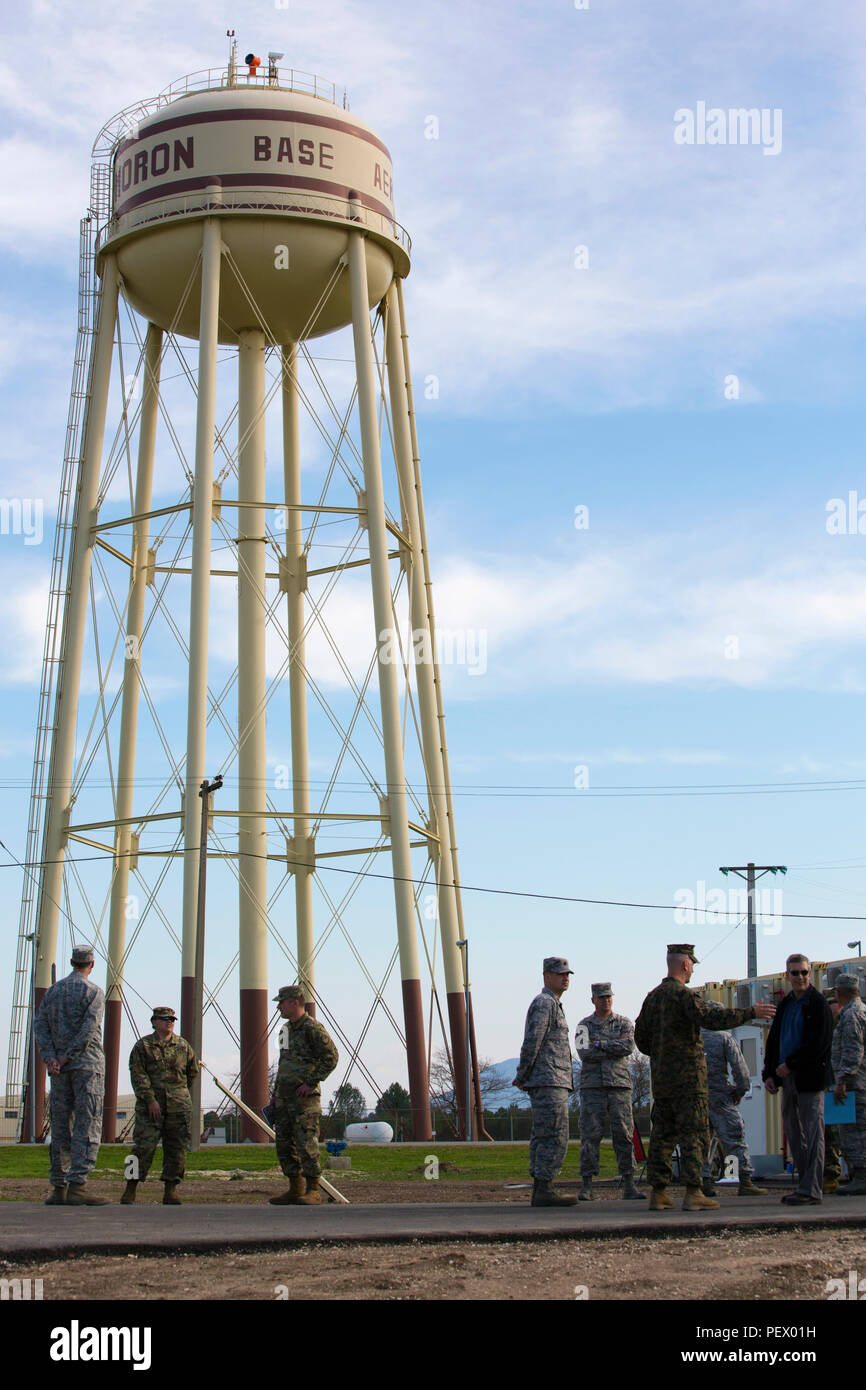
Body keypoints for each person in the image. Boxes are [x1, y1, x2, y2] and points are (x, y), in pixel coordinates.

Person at [635, 944, 775, 1212]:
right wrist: (750, 1013)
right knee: (695, 1135)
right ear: (686, 965)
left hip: (662, 1083)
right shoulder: (684, 996)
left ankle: (659, 1193)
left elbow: (640, 1037)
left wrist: (663, 1054)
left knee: (663, 1136)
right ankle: (693, 1192)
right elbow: (712, 1017)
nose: (691, 971)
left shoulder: (652, 998)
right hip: (690, 1083)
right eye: (692, 966)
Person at [34, 944, 107, 1206]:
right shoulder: (94, 992)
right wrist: (68, 1056)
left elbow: (40, 1026)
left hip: (59, 1070)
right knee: (87, 1124)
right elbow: (89, 1029)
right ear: (92, 964)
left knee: (60, 1126)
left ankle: (58, 1186)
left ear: (72, 962)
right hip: (86, 1066)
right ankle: (78, 1185)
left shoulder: (53, 992)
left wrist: (51, 1058)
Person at [762, 953, 833, 1205]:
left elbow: (819, 1045)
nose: (800, 977)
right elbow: (774, 1040)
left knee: (813, 1132)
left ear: (810, 973)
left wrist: (790, 1065)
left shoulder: (818, 1004)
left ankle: (812, 1189)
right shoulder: (786, 1005)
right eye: (795, 973)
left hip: (809, 1079)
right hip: (785, 1077)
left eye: (804, 972)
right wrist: (770, 1073)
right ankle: (803, 1185)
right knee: (793, 1132)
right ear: (787, 975)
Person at [513, 957, 577, 1207]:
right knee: (554, 1133)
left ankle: (543, 1185)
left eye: (567, 974)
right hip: (548, 1078)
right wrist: (523, 1073)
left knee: (547, 1132)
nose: (565, 978)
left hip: (553, 1078)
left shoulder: (553, 1004)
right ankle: (544, 1186)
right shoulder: (544, 1003)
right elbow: (533, 1040)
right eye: (560, 973)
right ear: (546, 976)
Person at [269, 985, 338, 1206]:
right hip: (284, 1097)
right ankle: (295, 1188)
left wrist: (311, 1082)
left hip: (304, 1100)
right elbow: (283, 1064)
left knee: (306, 1143)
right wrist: (275, 1093)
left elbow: (331, 1056)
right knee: (284, 1144)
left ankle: (313, 1190)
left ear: (295, 1002)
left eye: (282, 1002)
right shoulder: (285, 1030)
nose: (278, 1006)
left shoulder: (313, 1028)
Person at [122, 1007, 199, 1205]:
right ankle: (130, 1188)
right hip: (150, 1108)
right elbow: (138, 1075)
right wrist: (150, 1099)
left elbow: (192, 1072)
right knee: (142, 1147)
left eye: (172, 1019)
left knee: (177, 1148)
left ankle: (171, 1189)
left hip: (178, 1107)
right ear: (154, 1021)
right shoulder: (143, 1046)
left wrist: (178, 1095)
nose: (170, 1022)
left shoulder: (183, 1046)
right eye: (165, 1019)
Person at [575, 982, 643, 1201]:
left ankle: (629, 1183)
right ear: (593, 999)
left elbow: (628, 1047)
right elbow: (583, 1052)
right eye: (602, 997)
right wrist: (610, 1045)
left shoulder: (624, 1023)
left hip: (619, 1086)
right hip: (592, 1086)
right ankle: (587, 1185)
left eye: (609, 997)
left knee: (624, 1134)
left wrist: (599, 1044)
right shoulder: (583, 1025)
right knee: (590, 1135)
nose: (606, 1000)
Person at [700, 1027, 767, 1197]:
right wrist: (740, 1090)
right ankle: (745, 1180)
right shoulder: (724, 1038)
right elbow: (739, 1067)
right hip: (720, 1096)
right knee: (735, 1137)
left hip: (697, 1097)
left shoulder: (691, 1038)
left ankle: (704, 1181)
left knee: (702, 1141)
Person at [829, 972, 866, 1196]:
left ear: (838, 993)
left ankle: (861, 1176)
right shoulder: (862, 1011)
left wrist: (842, 1079)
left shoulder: (851, 1015)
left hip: (855, 1084)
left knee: (853, 1131)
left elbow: (853, 1051)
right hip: (861, 1081)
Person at [823, 988, 843, 1194]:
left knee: (850, 1131)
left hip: (849, 1086)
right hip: (829, 1086)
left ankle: (857, 1171)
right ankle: (830, 1174)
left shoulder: (850, 1023)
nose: (833, 1007)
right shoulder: (823, 1028)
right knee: (830, 1133)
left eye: (834, 1003)